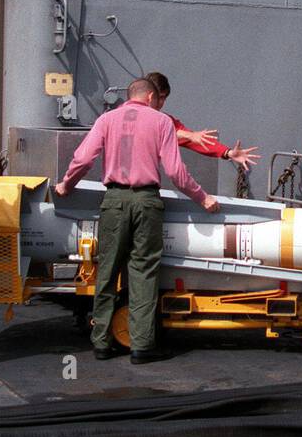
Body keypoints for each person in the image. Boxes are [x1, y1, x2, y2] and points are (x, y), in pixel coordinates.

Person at [55, 78, 220, 363]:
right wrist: (203, 198)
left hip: (114, 201)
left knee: (107, 269)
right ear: (151, 96)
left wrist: (66, 186)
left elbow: (83, 159)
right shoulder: (161, 122)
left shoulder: (106, 120)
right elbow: (175, 172)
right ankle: (141, 346)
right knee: (143, 272)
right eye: (160, 99)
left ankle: (102, 342)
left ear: (128, 97)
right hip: (147, 201)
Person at [145, 70, 259, 171]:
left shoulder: (166, 121)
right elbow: (155, 130)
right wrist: (188, 135)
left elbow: (196, 141)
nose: (160, 102)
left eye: (163, 98)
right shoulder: (128, 114)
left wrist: (228, 152)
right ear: (148, 95)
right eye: (158, 97)